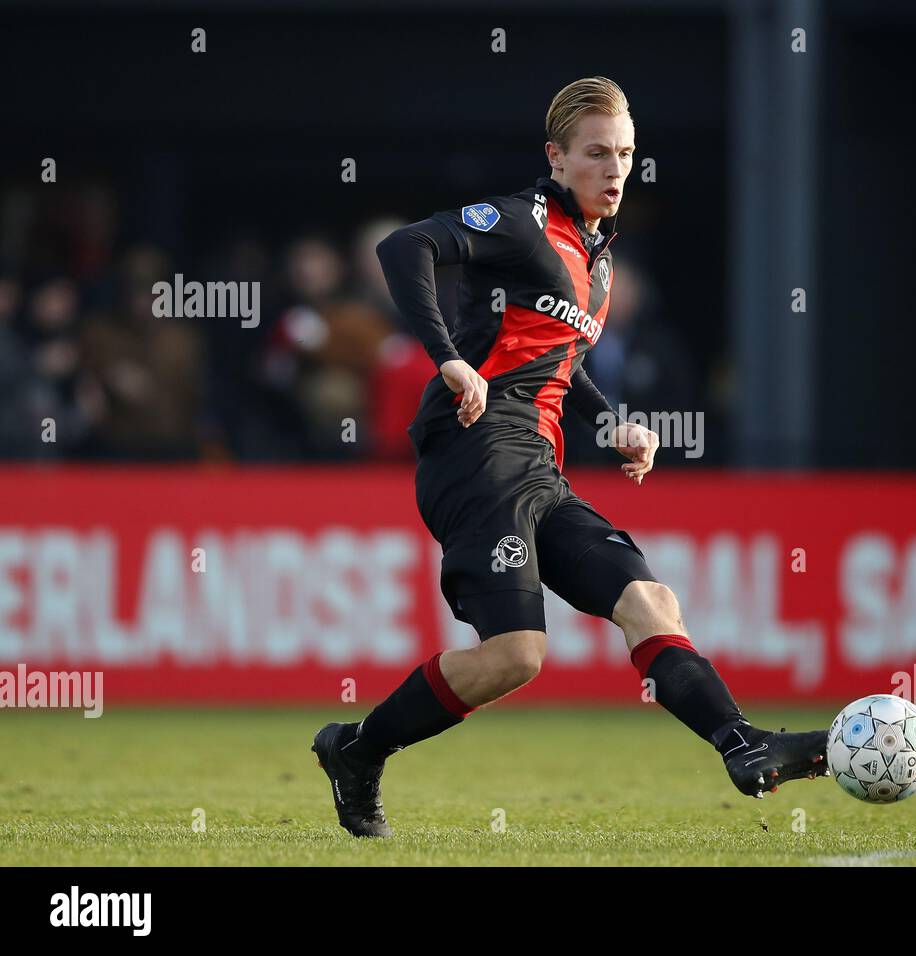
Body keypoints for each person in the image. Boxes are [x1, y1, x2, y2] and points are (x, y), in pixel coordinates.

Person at [311, 76, 828, 837]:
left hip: (539, 463)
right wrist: (449, 358)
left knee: (650, 602)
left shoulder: (599, 259)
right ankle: (358, 751)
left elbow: (559, 357)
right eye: (596, 153)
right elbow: (405, 245)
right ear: (557, 157)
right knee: (516, 656)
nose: (614, 168)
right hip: (476, 452)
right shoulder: (522, 222)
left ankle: (743, 744)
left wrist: (611, 422)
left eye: (624, 153)